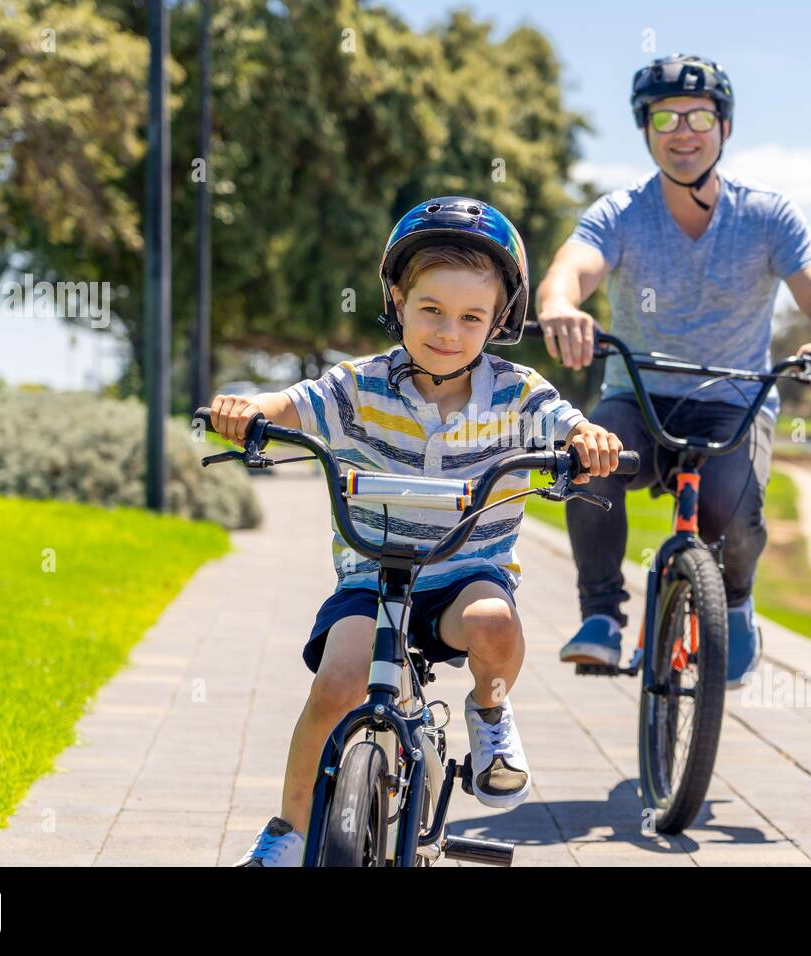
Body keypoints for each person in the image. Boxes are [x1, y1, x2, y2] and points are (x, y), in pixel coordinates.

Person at [221, 197, 624, 866]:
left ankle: (490, 713)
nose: (448, 331)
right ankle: (287, 833)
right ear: (398, 298)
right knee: (335, 687)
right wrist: (249, 411)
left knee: (495, 623)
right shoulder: (359, 387)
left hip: (466, 579)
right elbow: (293, 403)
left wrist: (588, 438)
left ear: (500, 320)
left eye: (472, 317)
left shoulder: (519, 394)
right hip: (374, 579)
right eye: (431, 309)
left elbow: (566, 423)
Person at [535, 55, 811, 684]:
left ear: (725, 127)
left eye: (698, 116)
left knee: (730, 513)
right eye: (664, 117)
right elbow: (571, 269)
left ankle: (734, 604)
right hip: (639, 399)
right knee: (585, 457)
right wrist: (557, 306)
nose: (682, 130)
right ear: (645, 129)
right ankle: (601, 615)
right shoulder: (621, 213)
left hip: (734, 401)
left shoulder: (768, 217)